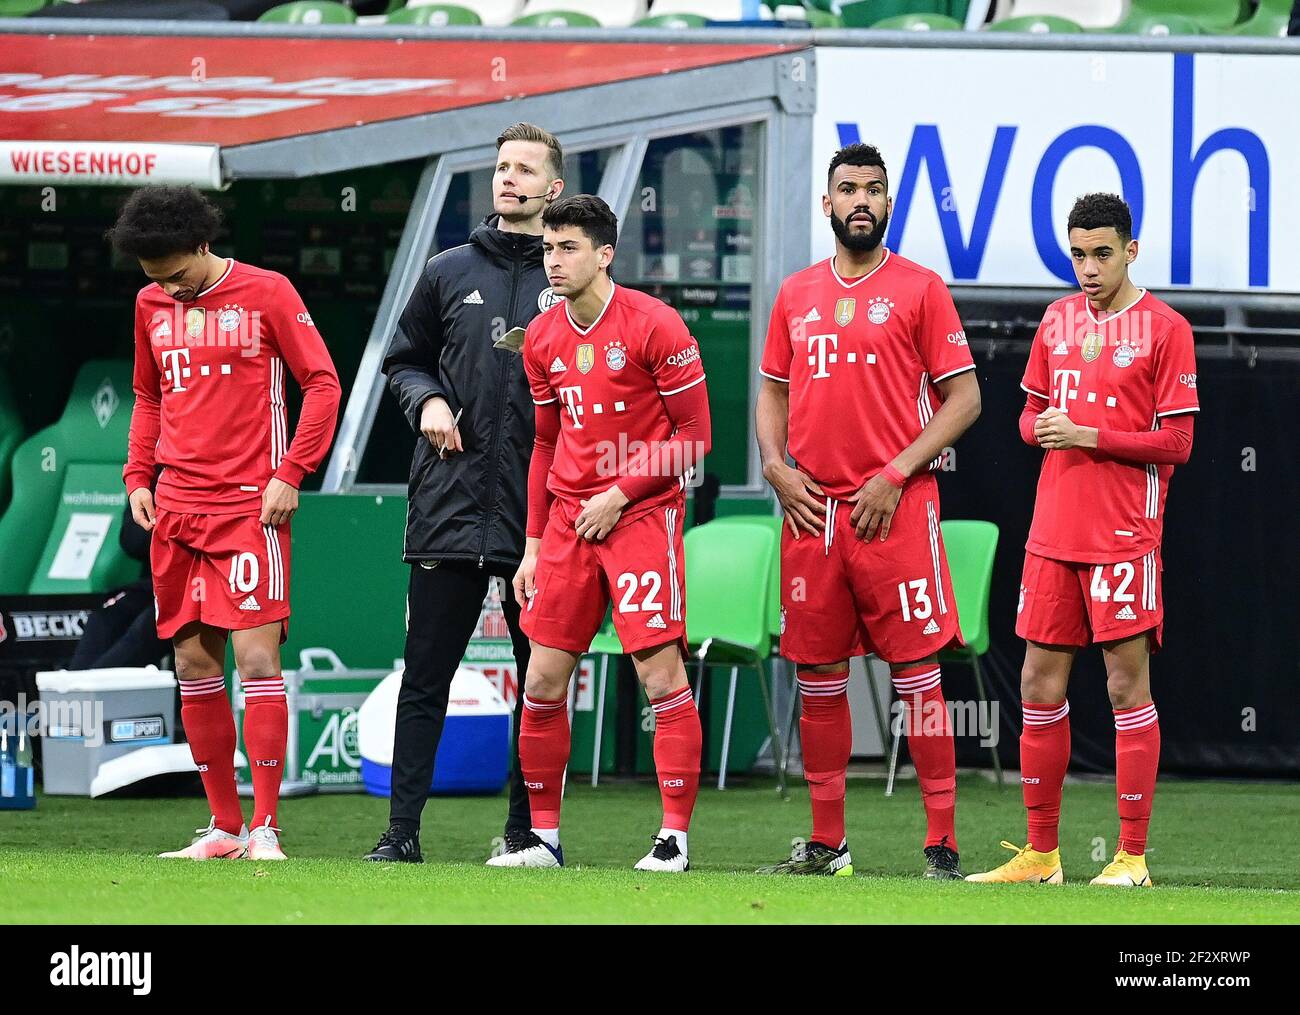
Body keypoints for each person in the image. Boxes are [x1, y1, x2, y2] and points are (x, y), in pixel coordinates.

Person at [754, 143, 982, 879]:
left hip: (897, 511)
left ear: (889, 204)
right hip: (811, 513)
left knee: (918, 675)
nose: (861, 199)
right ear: (827, 204)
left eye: (874, 190)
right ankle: (828, 845)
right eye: (847, 188)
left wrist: (897, 471)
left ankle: (941, 843)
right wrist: (774, 465)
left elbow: (967, 399)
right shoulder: (795, 294)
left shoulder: (921, 288)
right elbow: (772, 392)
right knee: (818, 676)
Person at [967, 193, 1197, 889]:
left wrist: (1091, 435)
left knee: (1125, 687)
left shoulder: (1166, 328)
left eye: (1102, 253)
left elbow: (1179, 442)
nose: (1088, 268)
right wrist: (1041, 428)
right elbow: (1028, 418)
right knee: (1037, 681)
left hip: (1125, 534)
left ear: (1132, 249)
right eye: (1077, 254)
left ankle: (1131, 857)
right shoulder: (1057, 319)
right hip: (1052, 533)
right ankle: (1042, 855)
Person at [110, 185, 341, 860]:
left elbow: (322, 382)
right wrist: (136, 475)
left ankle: (266, 826)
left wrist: (292, 471)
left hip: (249, 505)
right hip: (177, 506)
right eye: (158, 281)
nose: (172, 291)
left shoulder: (267, 292)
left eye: (179, 276)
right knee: (190, 660)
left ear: (205, 245)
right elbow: (148, 395)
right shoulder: (149, 302)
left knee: (258, 656)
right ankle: (223, 826)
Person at [364, 123, 566, 864]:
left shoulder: (573, 277)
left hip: (537, 517)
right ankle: (401, 833)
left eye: (525, 169)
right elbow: (403, 360)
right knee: (425, 678)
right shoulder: (448, 269)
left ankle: (525, 832)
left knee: (538, 684)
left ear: (554, 189)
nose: (508, 178)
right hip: (447, 503)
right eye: (502, 167)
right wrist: (426, 403)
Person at [491, 194, 711, 872]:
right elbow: (545, 444)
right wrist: (531, 544)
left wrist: (619, 493)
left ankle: (673, 838)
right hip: (565, 525)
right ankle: (544, 840)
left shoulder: (657, 325)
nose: (553, 261)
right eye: (549, 249)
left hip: (640, 515)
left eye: (568, 248)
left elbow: (695, 438)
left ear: (604, 253)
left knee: (660, 675)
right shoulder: (544, 336)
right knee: (543, 682)